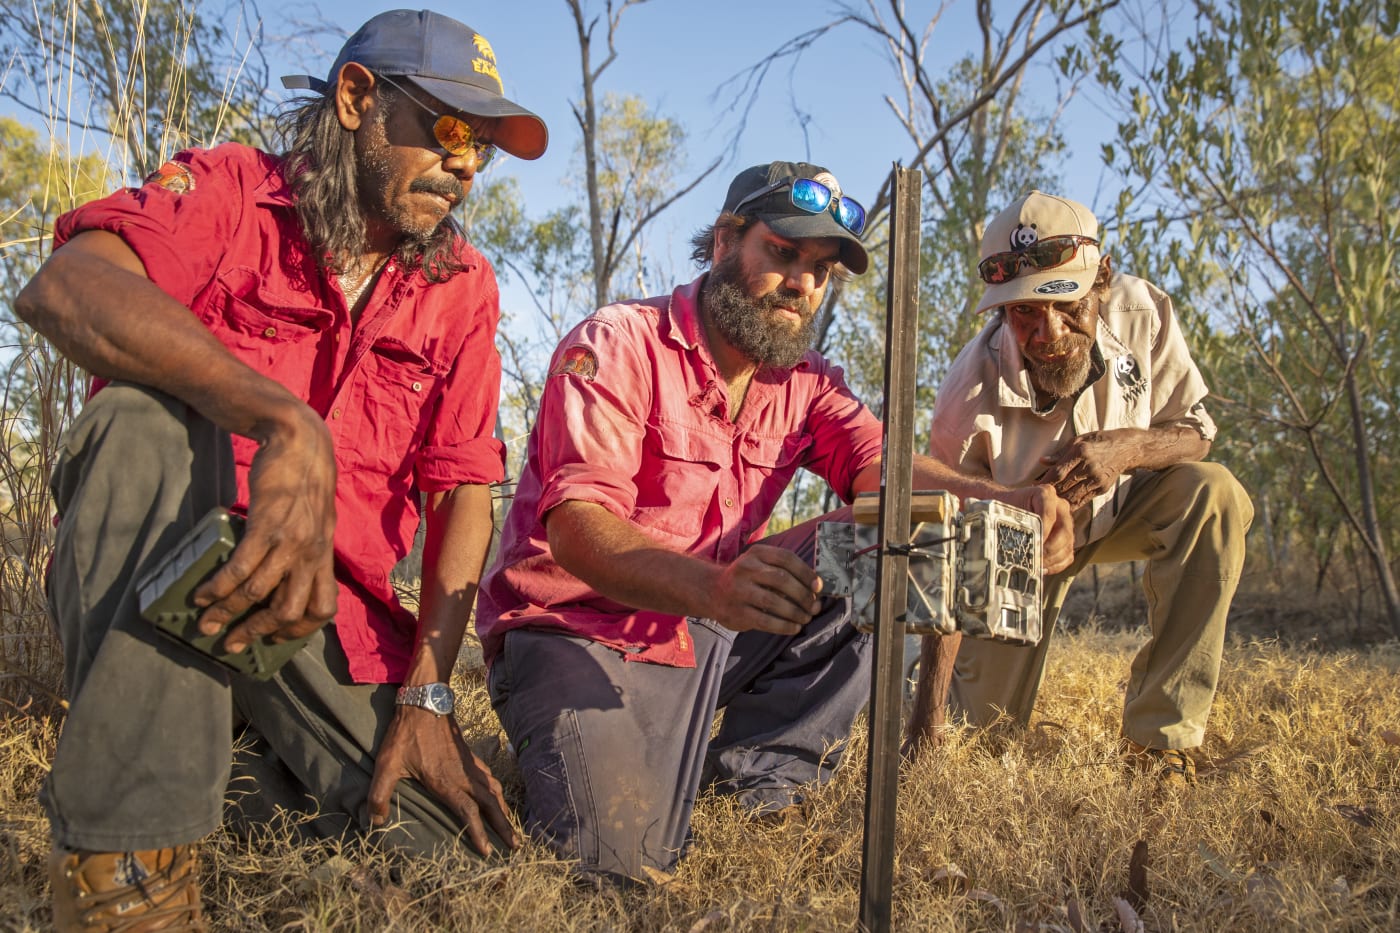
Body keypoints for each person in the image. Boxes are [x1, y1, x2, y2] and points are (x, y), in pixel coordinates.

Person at [16, 10, 547, 928]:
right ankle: (126, 876)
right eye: (453, 129)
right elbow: (67, 284)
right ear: (357, 100)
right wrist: (279, 420)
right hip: (177, 572)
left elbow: (462, 484)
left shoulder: (464, 286)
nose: (468, 164)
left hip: (332, 627)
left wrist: (427, 691)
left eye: (486, 147)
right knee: (137, 422)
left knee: (453, 854)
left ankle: (231, 766)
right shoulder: (231, 190)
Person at [474, 161, 1074, 885]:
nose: (803, 284)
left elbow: (883, 467)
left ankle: (765, 779)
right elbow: (576, 528)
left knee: (877, 539)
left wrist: (1010, 500)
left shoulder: (807, 381)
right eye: (783, 253)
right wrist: (713, 586)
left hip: (702, 625)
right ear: (725, 241)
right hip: (574, 631)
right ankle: (580, 756)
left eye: (821, 270)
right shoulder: (620, 342)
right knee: (616, 863)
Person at [918, 190, 1253, 784]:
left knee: (1214, 495)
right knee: (981, 743)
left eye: (1065, 304)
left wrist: (1128, 449)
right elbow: (947, 552)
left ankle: (1161, 740)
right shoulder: (967, 395)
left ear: (1102, 279)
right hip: (1019, 549)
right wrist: (926, 729)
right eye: (1023, 312)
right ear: (1001, 311)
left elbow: (1196, 434)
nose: (1047, 333)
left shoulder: (1144, 313)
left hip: (1127, 507)